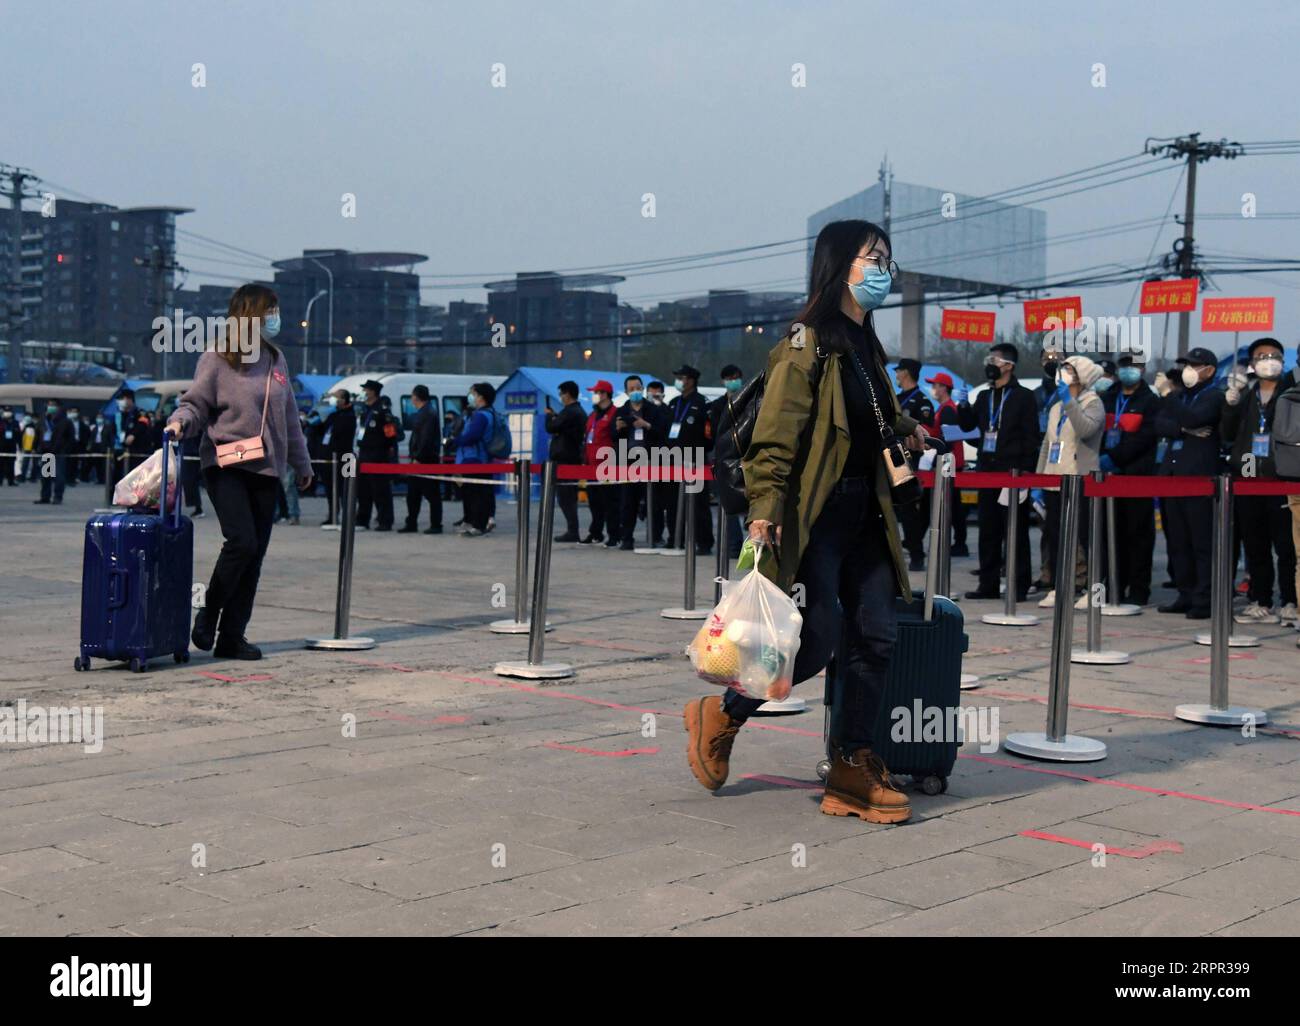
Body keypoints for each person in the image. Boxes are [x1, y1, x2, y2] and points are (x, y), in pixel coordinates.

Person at [684, 218, 926, 824]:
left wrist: (908, 431)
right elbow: (776, 436)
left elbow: (872, 415)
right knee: (812, 637)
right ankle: (722, 714)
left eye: (888, 260)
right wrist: (764, 511)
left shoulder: (867, 343)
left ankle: (851, 765)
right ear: (840, 263)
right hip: (813, 514)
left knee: (877, 634)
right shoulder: (806, 340)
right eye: (873, 258)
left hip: (866, 511)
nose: (883, 271)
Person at [166, 283, 313, 660]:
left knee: (255, 555)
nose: (275, 317)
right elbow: (195, 403)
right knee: (242, 542)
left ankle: (232, 636)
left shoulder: (276, 358)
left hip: (266, 468)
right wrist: (179, 423)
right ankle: (209, 613)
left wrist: (302, 463)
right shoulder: (218, 356)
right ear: (250, 313)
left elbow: (289, 417)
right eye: (270, 309)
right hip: (225, 462)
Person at [1222, 337, 1297, 624]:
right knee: (1255, 542)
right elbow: (1228, 433)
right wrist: (1231, 402)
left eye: (1274, 355)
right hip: (1251, 467)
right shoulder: (1245, 394)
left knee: (1285, 544)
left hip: (1280, 472)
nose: (1268, 360)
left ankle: (1289, 599)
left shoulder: (1290, 393)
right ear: (1252, 364)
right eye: (1262, 356)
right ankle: (1260, 598)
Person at [957, 342, 1038, 600]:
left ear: (1008, 366)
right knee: (987, 529)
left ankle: (1018, 584)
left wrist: (1026, 471)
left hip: (1012, 471)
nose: (989, 365)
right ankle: (988, 584)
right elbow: (971, 429)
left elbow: (1031, 436)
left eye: (994, 360)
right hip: (987, 469)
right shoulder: (984, 396)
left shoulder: (1024, 397)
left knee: (1015, 530)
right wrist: (962, 407)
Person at [1154, 347, 1225, 619]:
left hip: (1198, 477)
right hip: (1172, 476)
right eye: (1186, 364)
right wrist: (1182, 427)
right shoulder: (1183, 396)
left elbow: (1196, 418)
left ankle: (1204, 597)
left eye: (1195, 365)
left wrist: (1170, 399)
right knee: (1178, 542)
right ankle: (1185, 593)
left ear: (1209, 369)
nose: (1189, 370)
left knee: (1201, 542)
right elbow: (1159, 424)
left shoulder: (1214, 396)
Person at [1035, 356, 1105, 608]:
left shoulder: (1092, 402)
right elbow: (1047, 444)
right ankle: (1058, 585)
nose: (1062, 373)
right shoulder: (1055, 407)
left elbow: (1085, 429)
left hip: (1081, 477)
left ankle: (1095, 587)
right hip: (1054, 479)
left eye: (1069, 369)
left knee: (1086, 535)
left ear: (1081, 376)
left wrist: (1069, 401)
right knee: (1056, 535)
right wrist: (1039, 477)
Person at [1100, 353, 1159, 605]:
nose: (1128, 371)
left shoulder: (1150, 401)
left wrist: (1115, 457)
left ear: (1143, 369)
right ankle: (1112, 585)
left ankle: (1138, 589)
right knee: (1110, 534)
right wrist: (1102, 456)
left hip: (1137, 475)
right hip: (1107, 477)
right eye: (1124, 366)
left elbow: (1146, 437)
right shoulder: (1108, 398)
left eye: (1133, 366)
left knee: (1138, 536)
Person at [666, 363, 715, 555]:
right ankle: (675, 538)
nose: (679, 381)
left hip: (695, 458)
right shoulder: (674, 402)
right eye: (678, 377)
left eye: (683, 377)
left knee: (698, 503)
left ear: (691, 380)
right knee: (673, 502)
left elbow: (708, 435)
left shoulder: (702, 404)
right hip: (673, 458)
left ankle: (704, 542)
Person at [614, 374, 665, 549]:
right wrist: (619, 429)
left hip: (650, 459)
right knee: (628, 501)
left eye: (638, 388)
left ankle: (656, 536)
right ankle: (626, 538)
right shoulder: (621, 410)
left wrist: (646, 425)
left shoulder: (653, 410)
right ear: (626, 391)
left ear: (642, 388)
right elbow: (614, 438)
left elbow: (661, 433)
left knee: (653, 501)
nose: (635, 392)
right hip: (628, 460)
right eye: (631, 389)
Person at [894, 357, 935, 570]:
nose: (896, 375)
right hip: (892, 458)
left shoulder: (921, 401)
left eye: (899, 371)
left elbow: (927, 431)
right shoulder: (896, 398)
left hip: (911, 462)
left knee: (909, 510)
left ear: (907, 373)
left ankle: (916, 554)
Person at [926, 371, 969, 556]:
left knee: (954, 506)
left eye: (935, 385)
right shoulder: (944, 408)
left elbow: (949, 438)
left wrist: (938, 457)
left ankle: (960, 543)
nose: (933, 389)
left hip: (949, 461)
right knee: (953, 504)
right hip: (948, 460)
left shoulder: (949, 409)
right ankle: (959, 542)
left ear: (944, 388)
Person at [708, 365, 746, 559]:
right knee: (729, 504)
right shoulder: (717, 406)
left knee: (752, 504)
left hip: (747, 457)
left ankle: (756, 545)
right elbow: (715, 433)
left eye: (736, 377)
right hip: (725, 459)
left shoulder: (750, 400)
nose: (733, 380)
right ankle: (734, 545)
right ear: (723, 381)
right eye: (729, 377)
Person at [452, 382, 499, 536]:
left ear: (482, 397)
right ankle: (474, 522)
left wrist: (455, 441)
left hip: (475, 459)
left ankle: (478, 525)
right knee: (476, 493)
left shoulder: (481, 415)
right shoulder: (487, 413)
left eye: (474, 394)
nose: (471, 397)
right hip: (478, 458)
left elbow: (472, 437)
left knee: (477, 493)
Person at [545, 380, 587, 542]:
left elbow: (551, 428)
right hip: (572, 457)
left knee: (566, 497)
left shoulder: (570, 411)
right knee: (568, 497)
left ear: (568, 394)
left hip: (565, 459)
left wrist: (549, 416)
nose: (561, 397)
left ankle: (572, 530)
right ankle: (572, 529)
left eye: (561, 394)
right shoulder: (577, 412)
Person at [354, 380, 398, 532]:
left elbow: (391, 433)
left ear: (373, 391)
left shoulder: (383, 410)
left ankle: (385, 520)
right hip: (364, 453)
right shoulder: (366, 410)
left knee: (380, 490)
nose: (364, 392)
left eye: (365, 389)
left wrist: (385, 448)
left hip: (378, 454)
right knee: (363, 489)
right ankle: (362, 519)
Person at [580, 380, 620, 545]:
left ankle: (614, 535)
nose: (594, 396)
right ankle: (595, 533)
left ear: (605, 394)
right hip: (591, 465)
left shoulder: (615, 414)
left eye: (596, 393)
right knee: (594, 502)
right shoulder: (593, 415)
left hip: (607, 465)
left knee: (610, 503)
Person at [400, 384, 443, 534]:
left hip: (425, 460)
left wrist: (418, 457)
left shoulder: (428, 414)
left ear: (416, 397)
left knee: (432, 494)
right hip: (418, 459)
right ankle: (411, 522)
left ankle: (436, 524)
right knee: (413, 495)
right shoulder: (424, 412)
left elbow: (426, 438)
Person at [318, 388, 356, 524]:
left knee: (344, 490)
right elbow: (321, 427)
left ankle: (348, 516)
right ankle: (333, 515)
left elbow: (341, 434)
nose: (335, 400)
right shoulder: (334, 415)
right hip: (329, 458)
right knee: (330, 489)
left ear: (344, 400)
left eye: (337, 397)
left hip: (342, 458)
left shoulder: (349, 416)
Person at [645, 380, 672, 543]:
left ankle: (670, 536)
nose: (654, 395)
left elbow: (665, 432)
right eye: (651, 391)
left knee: (665, 502)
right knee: (650, 503)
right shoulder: (642, 410)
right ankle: (653, 535)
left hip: (663, 461)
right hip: (642, 460)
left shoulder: (667, 411)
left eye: (657, 392)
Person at [33, 400, 75, 505]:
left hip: (58, 452)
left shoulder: (65, 421)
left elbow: (71, 438)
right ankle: (45, 497)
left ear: (58, 407)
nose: (50, 407)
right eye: (49, 405)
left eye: (53, 405)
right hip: (45, 451)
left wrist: (65, 449)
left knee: (58, 476)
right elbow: (38, 434)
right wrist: (35, 447)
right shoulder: (43, 419)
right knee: (46, 476)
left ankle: (57, 497)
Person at [112, 388, 153, 487]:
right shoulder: (118, 414)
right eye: (121, 399)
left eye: (125, 398)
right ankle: (114, 496)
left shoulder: (140, 413)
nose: (123, 401)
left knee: (134, 475)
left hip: (135, 450)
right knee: (116, 474)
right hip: (119, 449)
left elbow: (144, 423)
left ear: (131, 400)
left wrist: (133, 434)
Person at [65, 407, 86, 486]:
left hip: (77, 444)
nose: (74, 413)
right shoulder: (66, 422)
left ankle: (72, 479)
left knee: (75, 463)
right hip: (68, 445)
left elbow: (84, 434)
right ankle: (67, 479)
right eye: (72, 411)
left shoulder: (81, 424)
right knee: (67, 463)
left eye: (75, 412)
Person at [0, 410, 18, 485]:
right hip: (1, 446)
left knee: (11, 464)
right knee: (0, 464)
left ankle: (11, 481)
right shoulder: (1, 422)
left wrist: (20, 445)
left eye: (9, 411)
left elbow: (18, 434)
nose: (7, 413)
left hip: (12, 446)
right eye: (6, 412)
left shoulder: (15, 422)